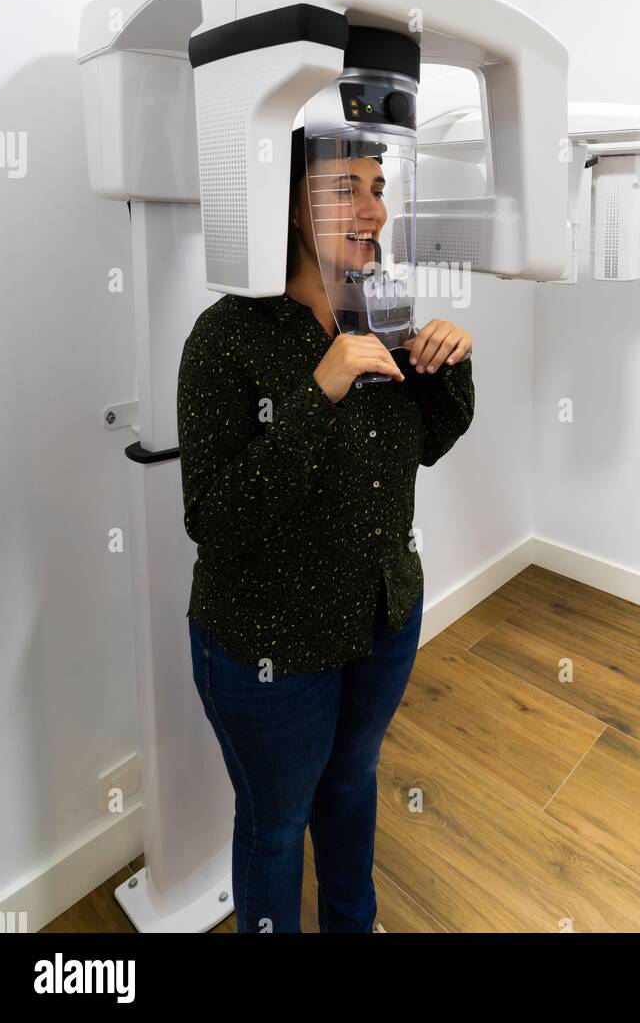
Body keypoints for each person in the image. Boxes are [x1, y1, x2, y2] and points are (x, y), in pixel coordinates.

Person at [177, 125, 475, 933]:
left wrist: (451, 365)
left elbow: (428, 444)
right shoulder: (227, 336)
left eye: (379, 187)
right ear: (294, 204)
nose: (373, 208)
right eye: (348, 187)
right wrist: (320, 389)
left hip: (381, 611)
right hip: (270, 637)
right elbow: (213, 519)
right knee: (275, 827)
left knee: (352, 783)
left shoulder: (384, 306)